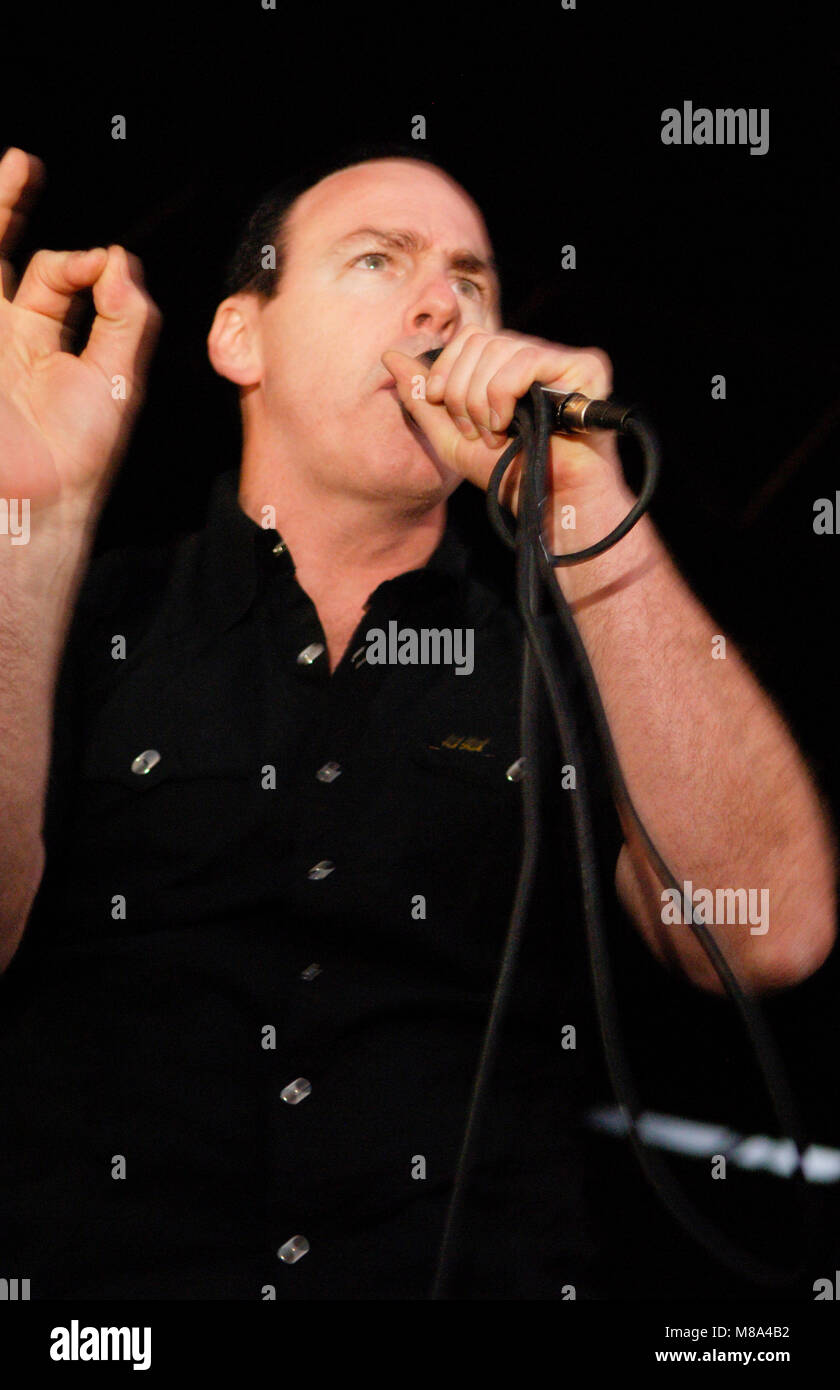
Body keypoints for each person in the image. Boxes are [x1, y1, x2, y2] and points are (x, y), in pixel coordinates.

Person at [0, 142, 835, 1300]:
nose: (441, 303)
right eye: (377, 260)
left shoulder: (565, 652)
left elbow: (765, 934)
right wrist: (23, 528)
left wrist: (585, 509)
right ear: (241, 336)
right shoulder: (91, 617)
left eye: (472, 280)